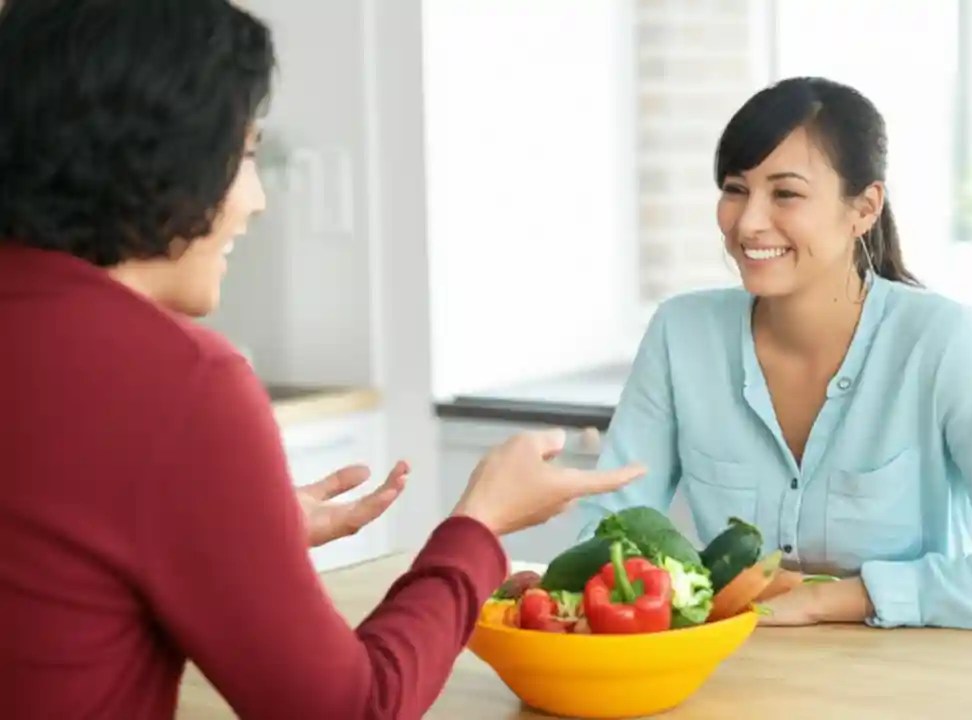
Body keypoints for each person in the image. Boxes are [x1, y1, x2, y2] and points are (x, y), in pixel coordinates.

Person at [0, 1, 642, 718]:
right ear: (161, 152)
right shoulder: (180, 385)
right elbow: (347, 709)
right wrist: (479, 527)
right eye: (246, 154)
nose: (258, 200)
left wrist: (230, 532)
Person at [576, 77, 972, 630]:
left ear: (864, 208)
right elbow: (606, 538)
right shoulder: (681, 334)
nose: (748, 222)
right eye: (734, 188)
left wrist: (841, 598)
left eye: (786, 193)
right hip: (743, 678)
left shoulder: (946, 342)